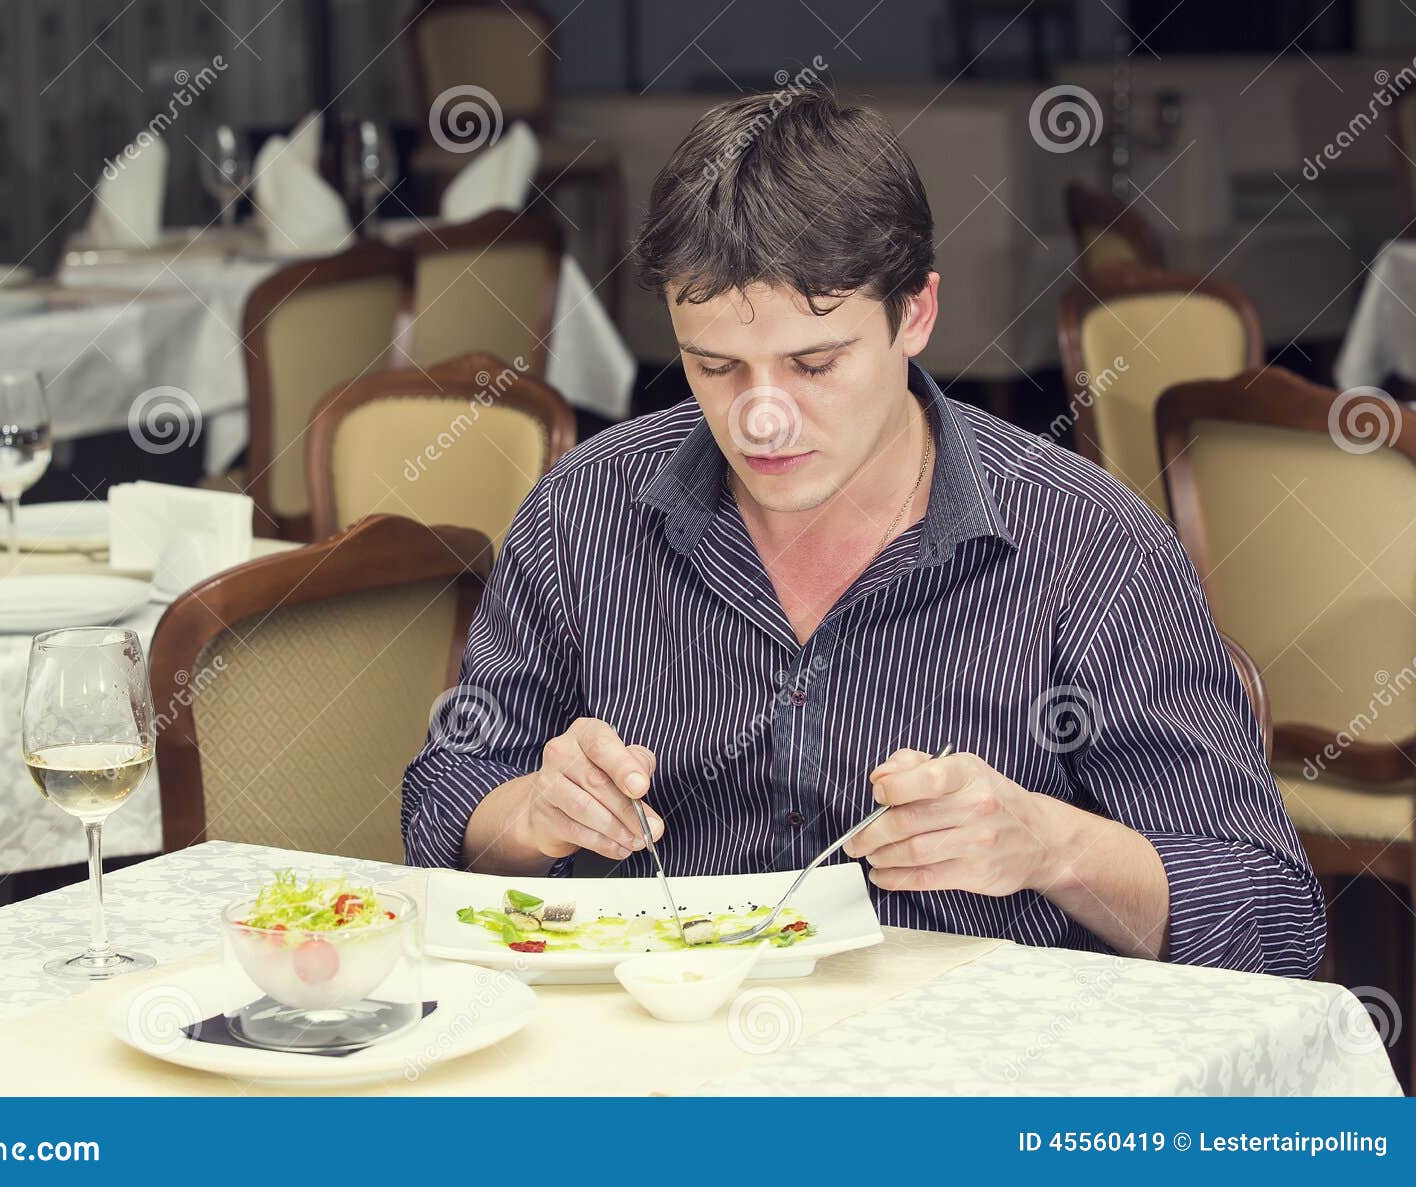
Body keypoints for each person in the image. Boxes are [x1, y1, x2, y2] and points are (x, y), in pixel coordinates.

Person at [402, 89, 1323, 975]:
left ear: (915, 312)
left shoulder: (1088, 546)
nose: (762, 418)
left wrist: (1053, 845)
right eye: (715, 366)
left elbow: (1271, 916)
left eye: (814, 364)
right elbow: (447, 800)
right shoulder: (585, 512)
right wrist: (527, 814)